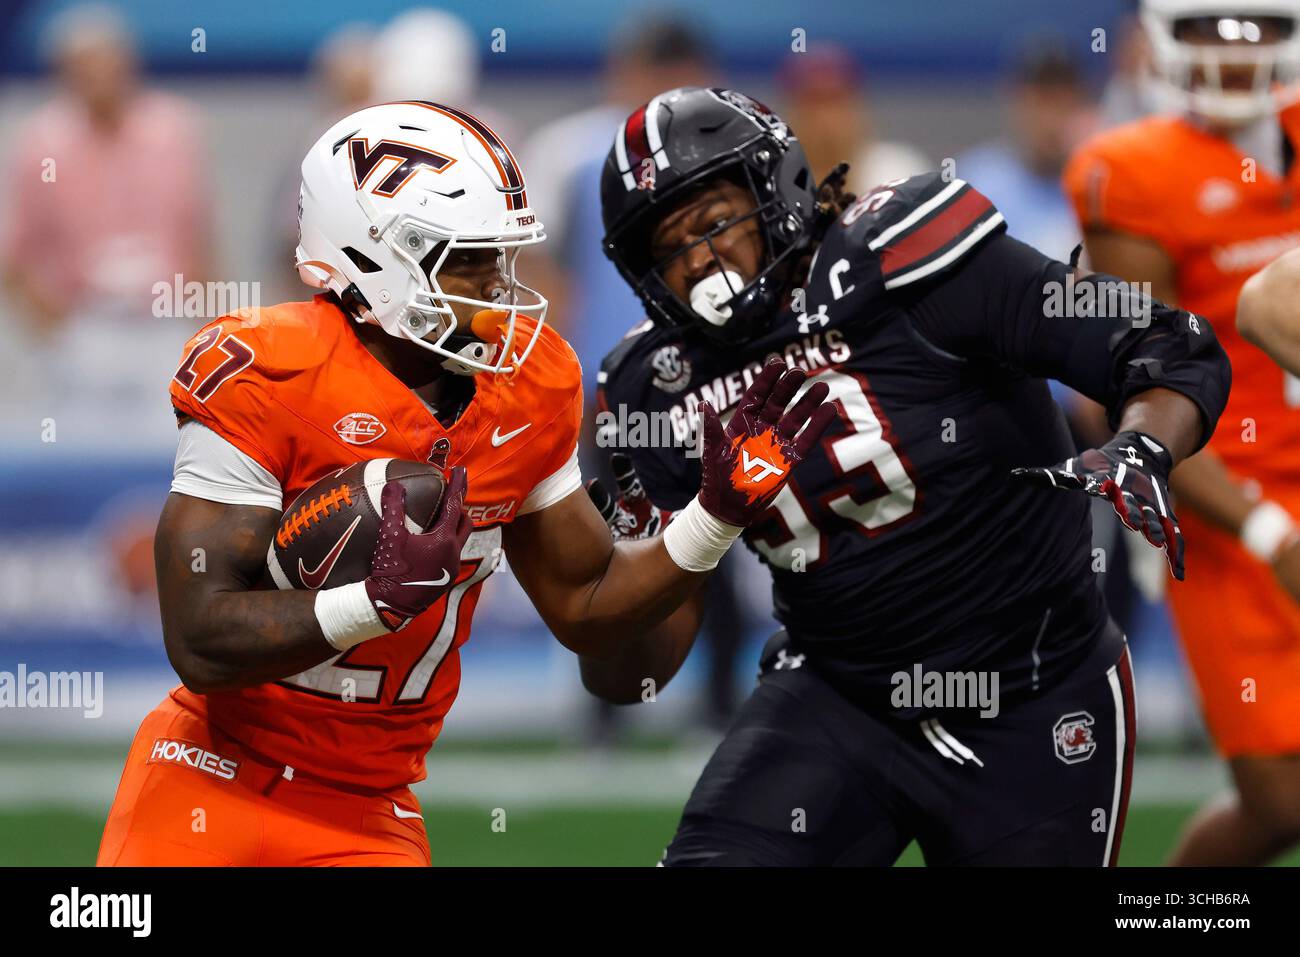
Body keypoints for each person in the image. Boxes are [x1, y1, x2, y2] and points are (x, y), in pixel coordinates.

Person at [94, 100, 838, 867]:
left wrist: (710, 516)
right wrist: (370, 603)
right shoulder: (269, 372)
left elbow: (589, 612)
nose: (498, 289)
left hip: (369, 807)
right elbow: (199, 637)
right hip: (211, 775)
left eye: (501, 259)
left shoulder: (529, 385)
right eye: (467, 260)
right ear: (372, 258)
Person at [584, 86, 1230, 866]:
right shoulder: (656, 386)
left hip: (1034, 688)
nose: (698, 261)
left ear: (774, 189)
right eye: (669, 246)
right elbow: (632, 671)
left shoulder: (905, 258)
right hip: (839, 696)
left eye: (715, 221)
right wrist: (664, 534)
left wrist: (1142, 447)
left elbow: (1164, 345)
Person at [1064, 0, 1300, 865]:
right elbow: (1144, 386)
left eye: (1255, 25)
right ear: (1165, 35)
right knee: (1280, 802)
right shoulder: (1129, 171)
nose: (1234, 49)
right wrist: (1268, 529)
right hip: (1222, 497)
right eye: (1210, 25)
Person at [776, 45, 929, 194]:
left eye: (835, 101)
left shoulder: (899, 169)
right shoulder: (772, 183)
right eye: (813, 103)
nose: (825, 120)